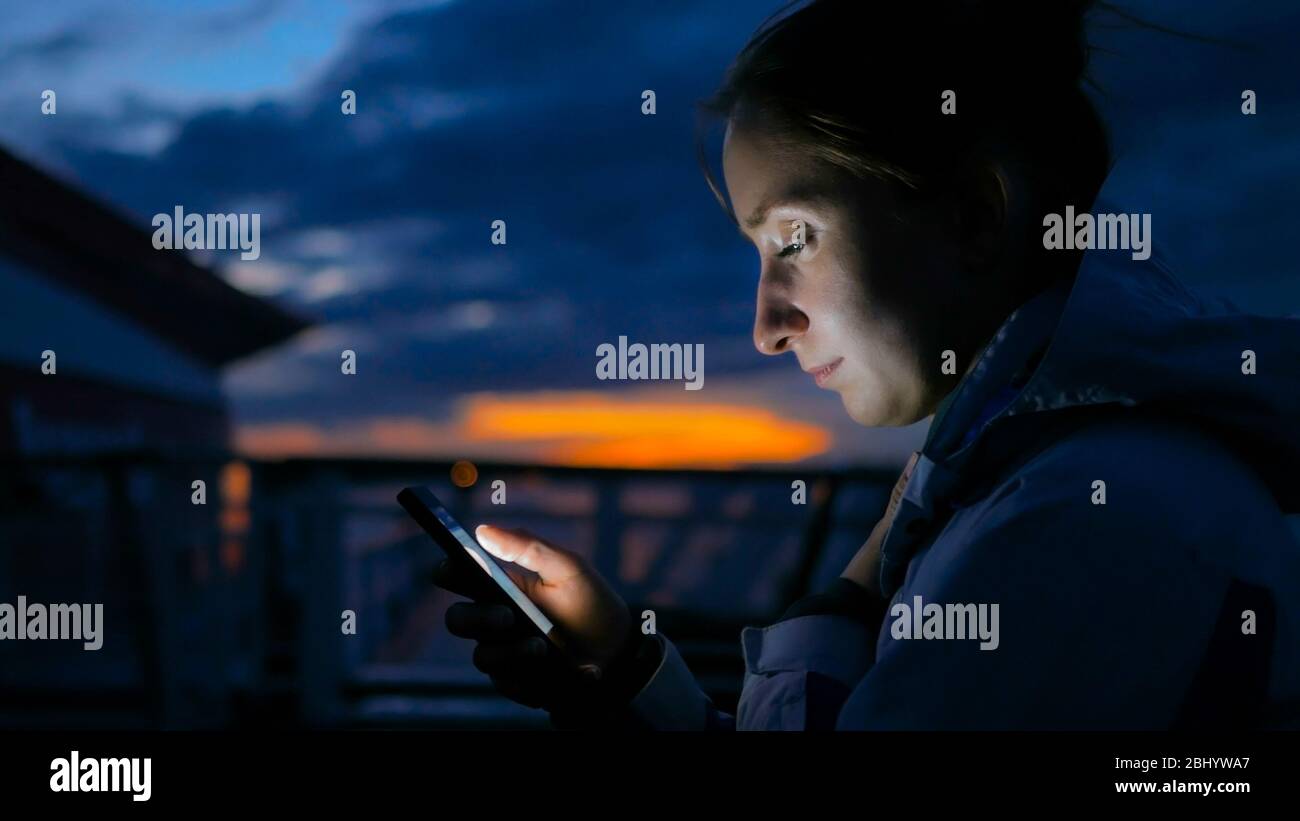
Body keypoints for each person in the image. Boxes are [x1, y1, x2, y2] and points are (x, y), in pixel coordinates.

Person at [432, 0, 1300, 729]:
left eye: (795, 239)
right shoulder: (1043, 484)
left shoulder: (1076, 525)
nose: (766, 326)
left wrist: (844, 598)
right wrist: (620, 670)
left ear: (973, 215)